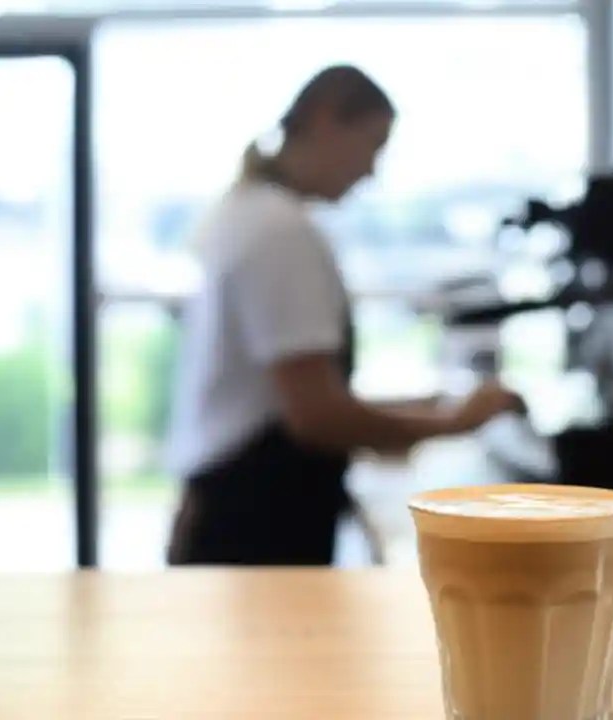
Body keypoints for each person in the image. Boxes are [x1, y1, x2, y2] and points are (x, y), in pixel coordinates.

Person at [165, 65, 523, 566]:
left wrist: (431, 404)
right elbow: (317, 415)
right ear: (326, 120)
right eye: (373, 145)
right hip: (252, 525)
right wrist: (450, 423)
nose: (371, 171)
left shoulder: (253, 212)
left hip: (236, 507)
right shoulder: (279, 230)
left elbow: (286, 396)